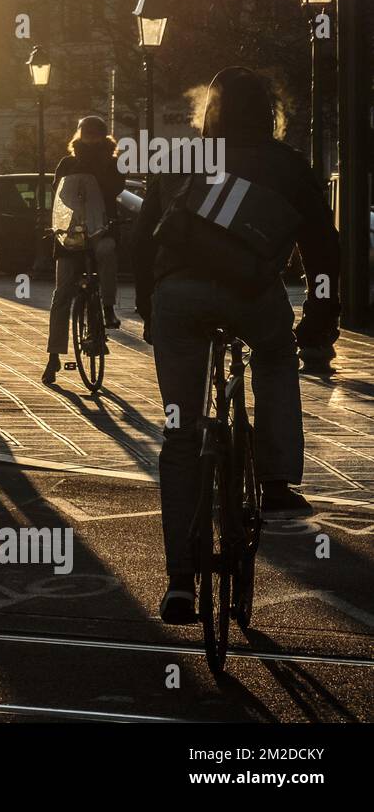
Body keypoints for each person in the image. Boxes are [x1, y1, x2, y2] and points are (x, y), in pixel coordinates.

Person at [133, 66, 340, 625]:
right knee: (275, 357)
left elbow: (145, 234)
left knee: (179, 437)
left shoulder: (181, 160)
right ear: (267, 111)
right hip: (253, 296)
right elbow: (323, 247)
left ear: (212, 111)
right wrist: (321, 317)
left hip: (179, 297)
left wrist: (151, 308)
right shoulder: (288, 164)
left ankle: (179, 583)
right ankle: (274, 482)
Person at [42, 115, 126, 385]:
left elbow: (115, 189)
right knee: (62, 292)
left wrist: (96, 165)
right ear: (78, 136)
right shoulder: (67, 163)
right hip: (71, 233)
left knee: (107, 250)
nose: (89, 138)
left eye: (95, 134)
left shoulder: (111, 164)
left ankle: (109, 306)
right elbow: (59, 195)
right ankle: (54, 354)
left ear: (103, 137)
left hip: (99, 228)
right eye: (86, 134)